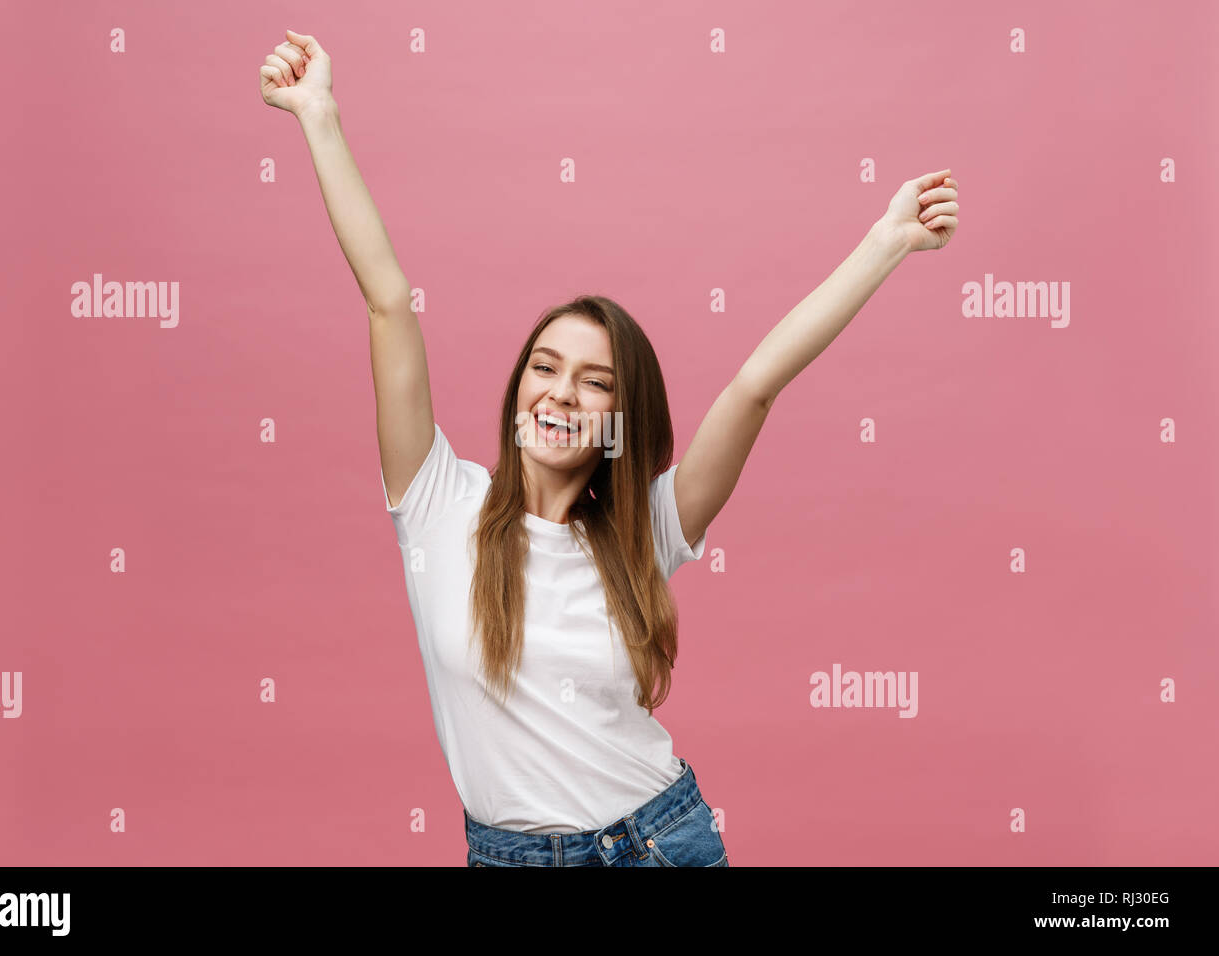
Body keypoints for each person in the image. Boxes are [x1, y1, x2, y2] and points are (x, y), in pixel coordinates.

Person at [258, 29, 959, 867]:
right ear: (519, 387)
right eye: (545, 367)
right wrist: (319, 116)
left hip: (657, 843)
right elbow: (387, 303)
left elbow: (755, 386)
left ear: (621, 418)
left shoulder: (643, 533)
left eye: (593, 381)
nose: (559, 391)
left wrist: (886, 242)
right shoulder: (440, 499)